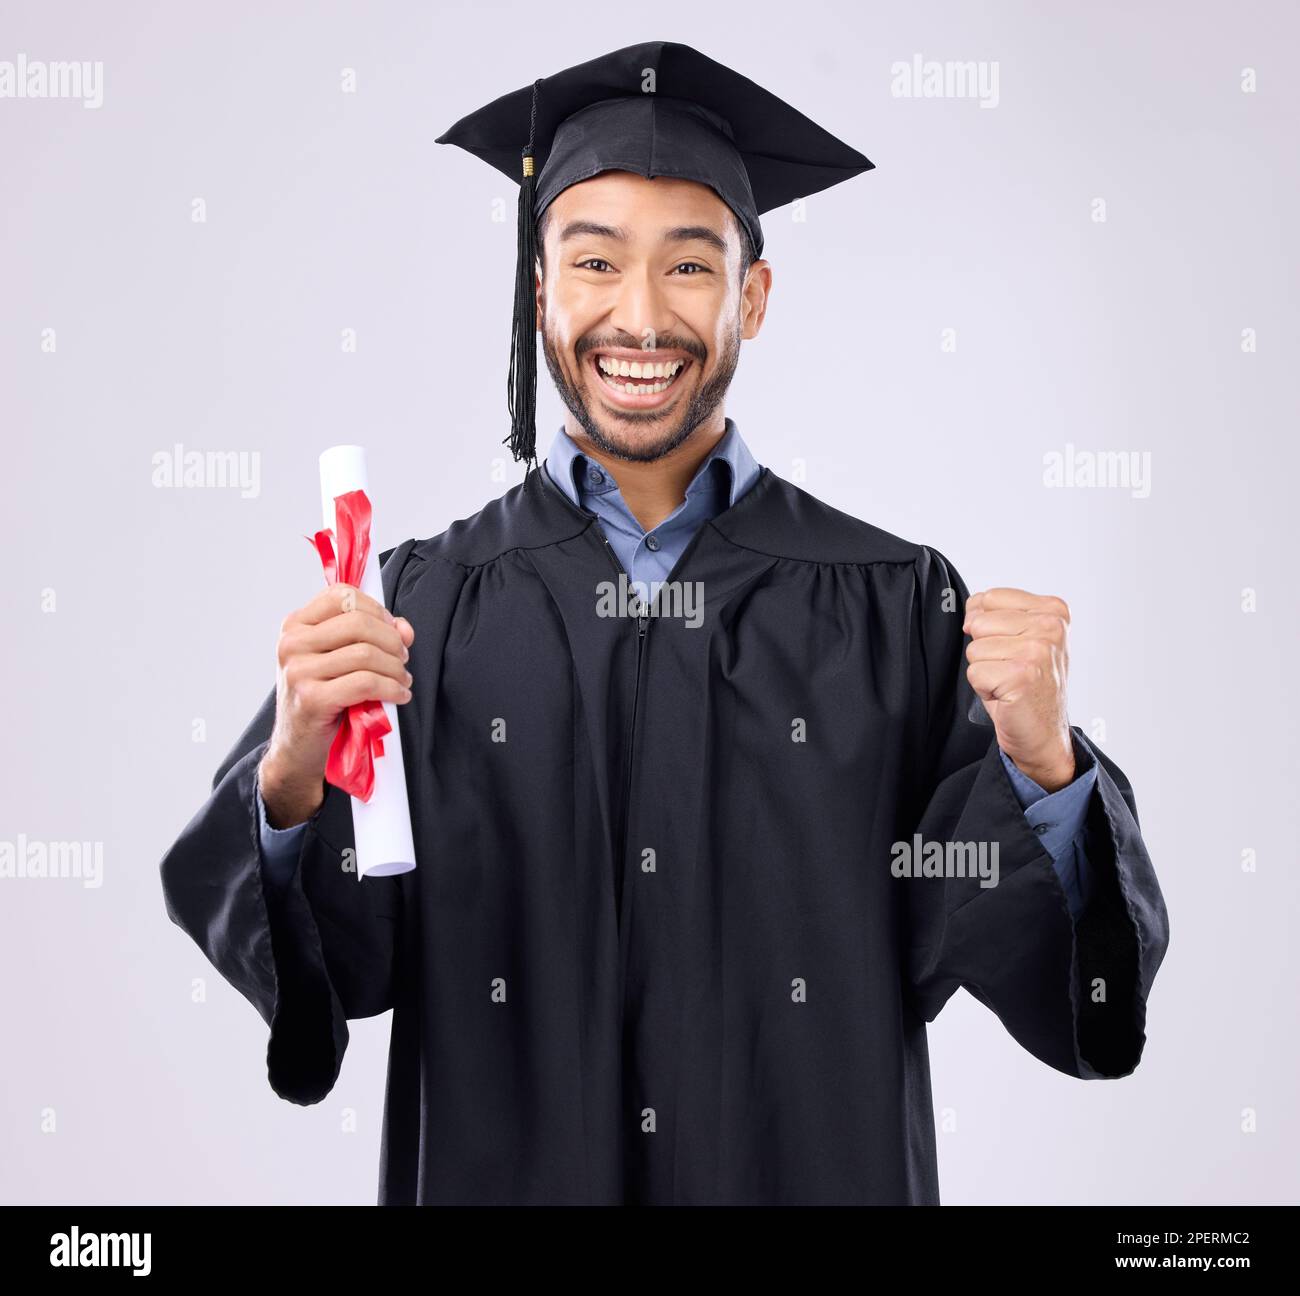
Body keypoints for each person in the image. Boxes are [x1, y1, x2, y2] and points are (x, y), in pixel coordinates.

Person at [159, 41, 1169, 1205]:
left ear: (751, 293)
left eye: (689, 267)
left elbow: (1059, 985)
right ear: (541, 288)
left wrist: (1042, 760)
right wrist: (292, 774)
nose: (638, 316)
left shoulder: (894, 605)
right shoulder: (415, 610)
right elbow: (337, 971)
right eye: (594, 262)